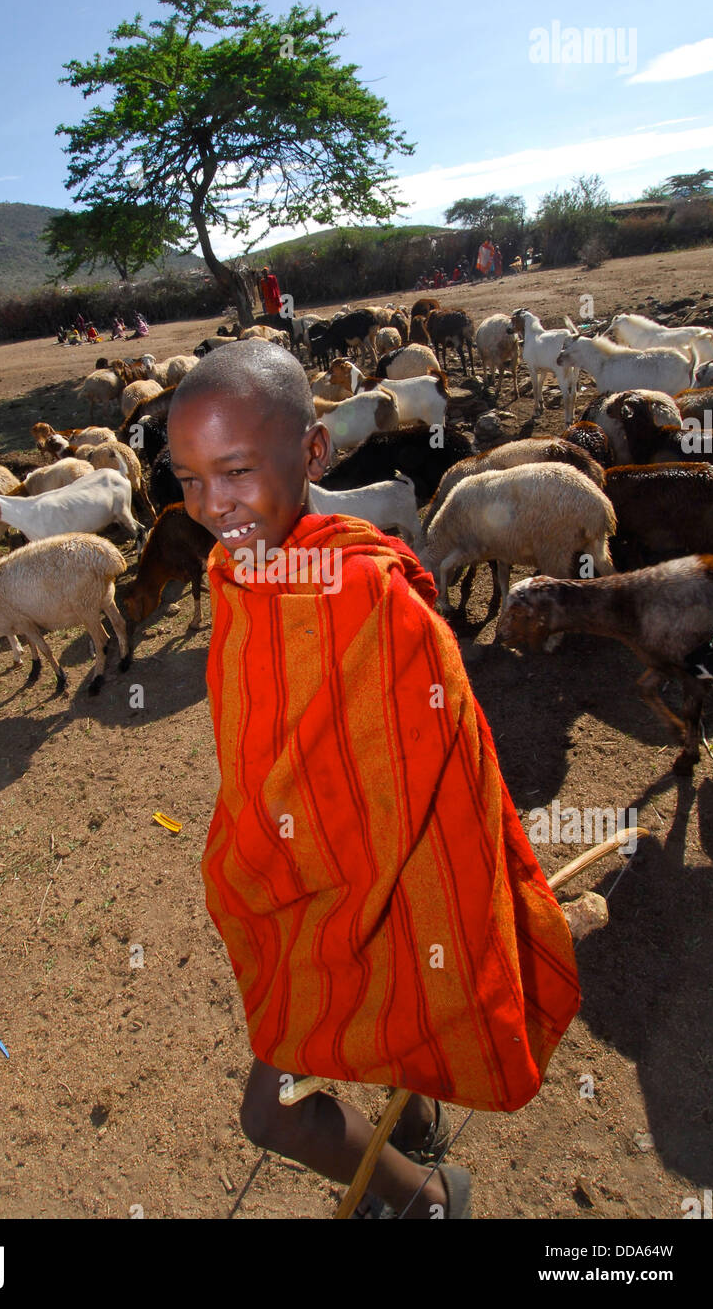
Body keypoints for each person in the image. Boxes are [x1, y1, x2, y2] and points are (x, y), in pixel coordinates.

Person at [166, 342, 580, 1220]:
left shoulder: (370, 596)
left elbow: (445, 768)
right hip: (294, 883)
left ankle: (428, 1202)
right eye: (189, 478)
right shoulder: (237, 572)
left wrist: (348, 878)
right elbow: (264, 751)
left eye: (234, 471)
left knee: (270, 1113)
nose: (212, 505)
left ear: (314, 454)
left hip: (358, 901)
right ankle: (414, 1121)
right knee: (378, 1038)